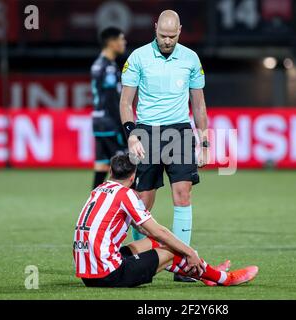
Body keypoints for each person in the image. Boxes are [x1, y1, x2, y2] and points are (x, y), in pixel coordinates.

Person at [73, 154, 258, 288]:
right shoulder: (125, 194)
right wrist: (190, 251)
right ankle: (224, 278)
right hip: (107, 274)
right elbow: (158, 231)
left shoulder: (99, 190)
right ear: (133, 177)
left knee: (155, 243)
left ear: (111, 171)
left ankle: (206, 274)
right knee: (171, 251)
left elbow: (150, 233)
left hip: (88, 272)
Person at [119, 10, 209, 282]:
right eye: (162, 35)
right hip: (146, 132)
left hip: (180, 131)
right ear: (155, 27)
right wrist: (131, 134)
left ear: (180, 30)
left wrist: (204, 141)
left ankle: (182, 265)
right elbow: (125, 103)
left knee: (183, 195)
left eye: (172, 36)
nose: (167, 41)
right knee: (142, 203)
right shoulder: (137, 57)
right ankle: (144, 262)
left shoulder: (191, 58)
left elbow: (199, 105)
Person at [91, 27, 127, 189]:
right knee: (126, 167)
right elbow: (112, 100)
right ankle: (130, 210)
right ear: (112, 43)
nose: (123, 42)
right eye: (121, 39)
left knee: (102, 165)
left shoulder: (98, 64)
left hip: (99, 123)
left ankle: (92, 206)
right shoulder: (109, 67)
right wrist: (123, 126)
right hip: (110, 123)